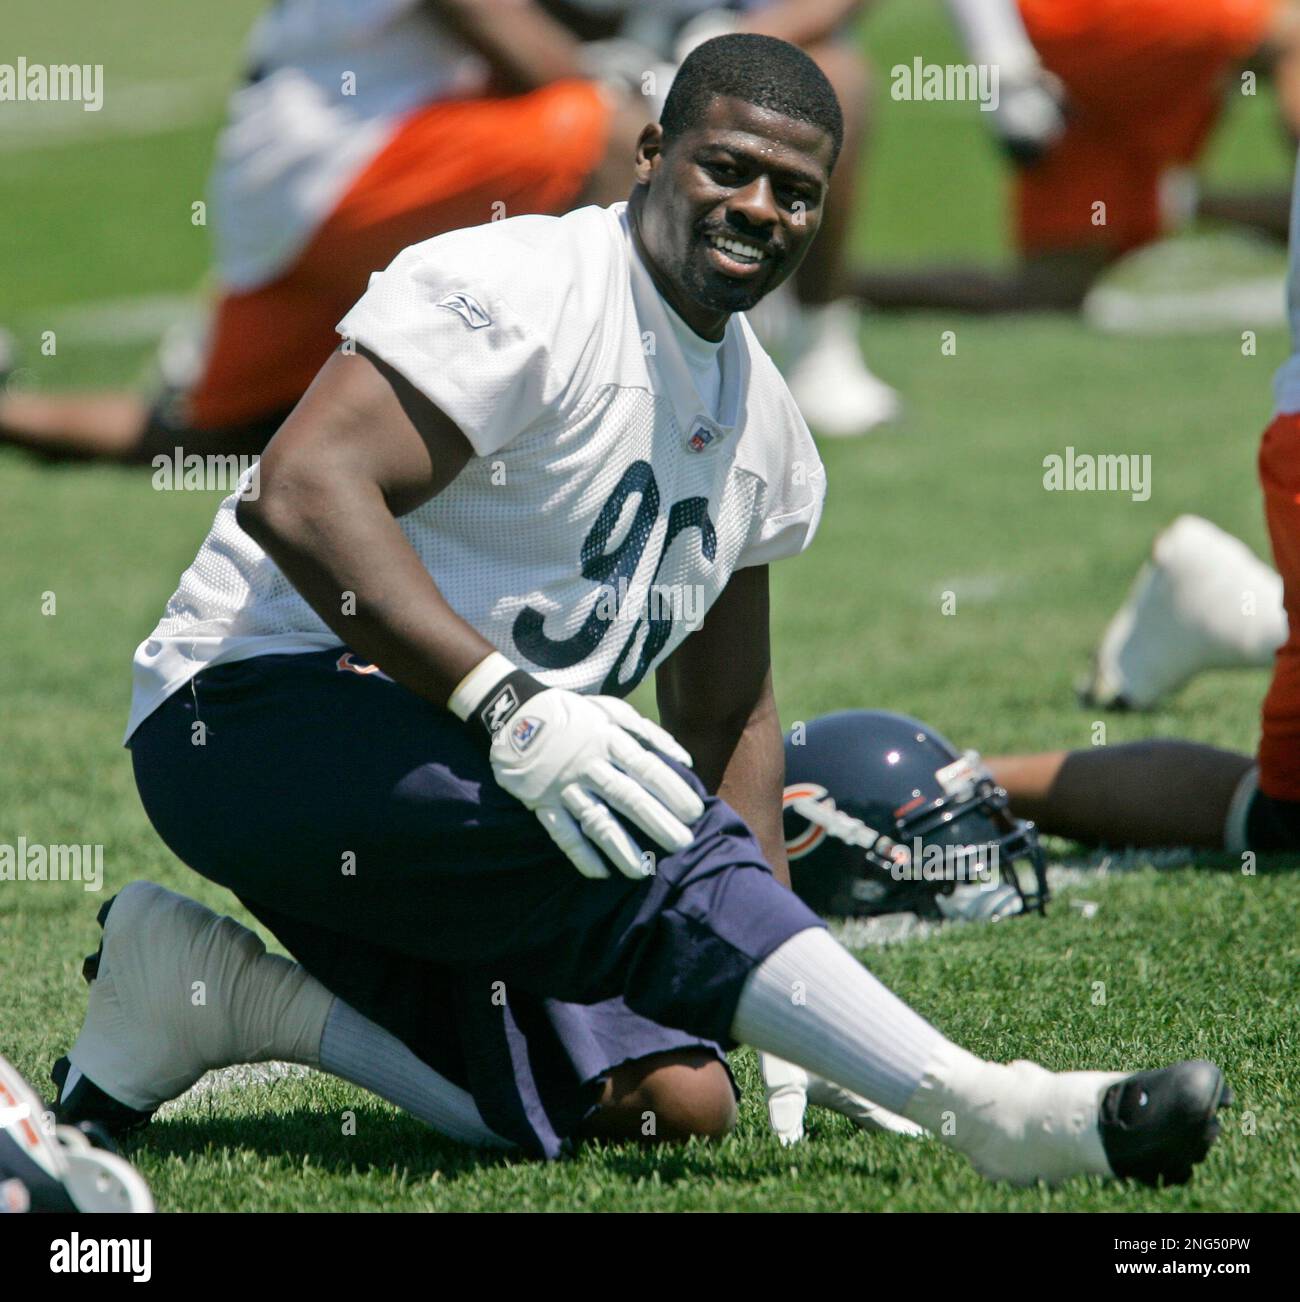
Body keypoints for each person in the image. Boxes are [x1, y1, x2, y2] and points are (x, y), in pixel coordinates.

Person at [57, 35, 1227, 1185]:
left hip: (466, 767)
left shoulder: (760, 423)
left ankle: (205, 997)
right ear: (652, 152)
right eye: (729, 168)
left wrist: (780, 961)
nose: (761, 206)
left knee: (674, 1103)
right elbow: (303, 492)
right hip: (250, 713)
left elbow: (727, 714)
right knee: (649, 824)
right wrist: (504, 702)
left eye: (797, 192)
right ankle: (995, 1110)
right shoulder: (525, 286)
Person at [854, 0, 1299, 314]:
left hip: (1078, 77)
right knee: (1287, 34)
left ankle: (836, 288)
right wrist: (1002, 63)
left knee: (1052, 289)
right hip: (1064, 27)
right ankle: (824, 298)